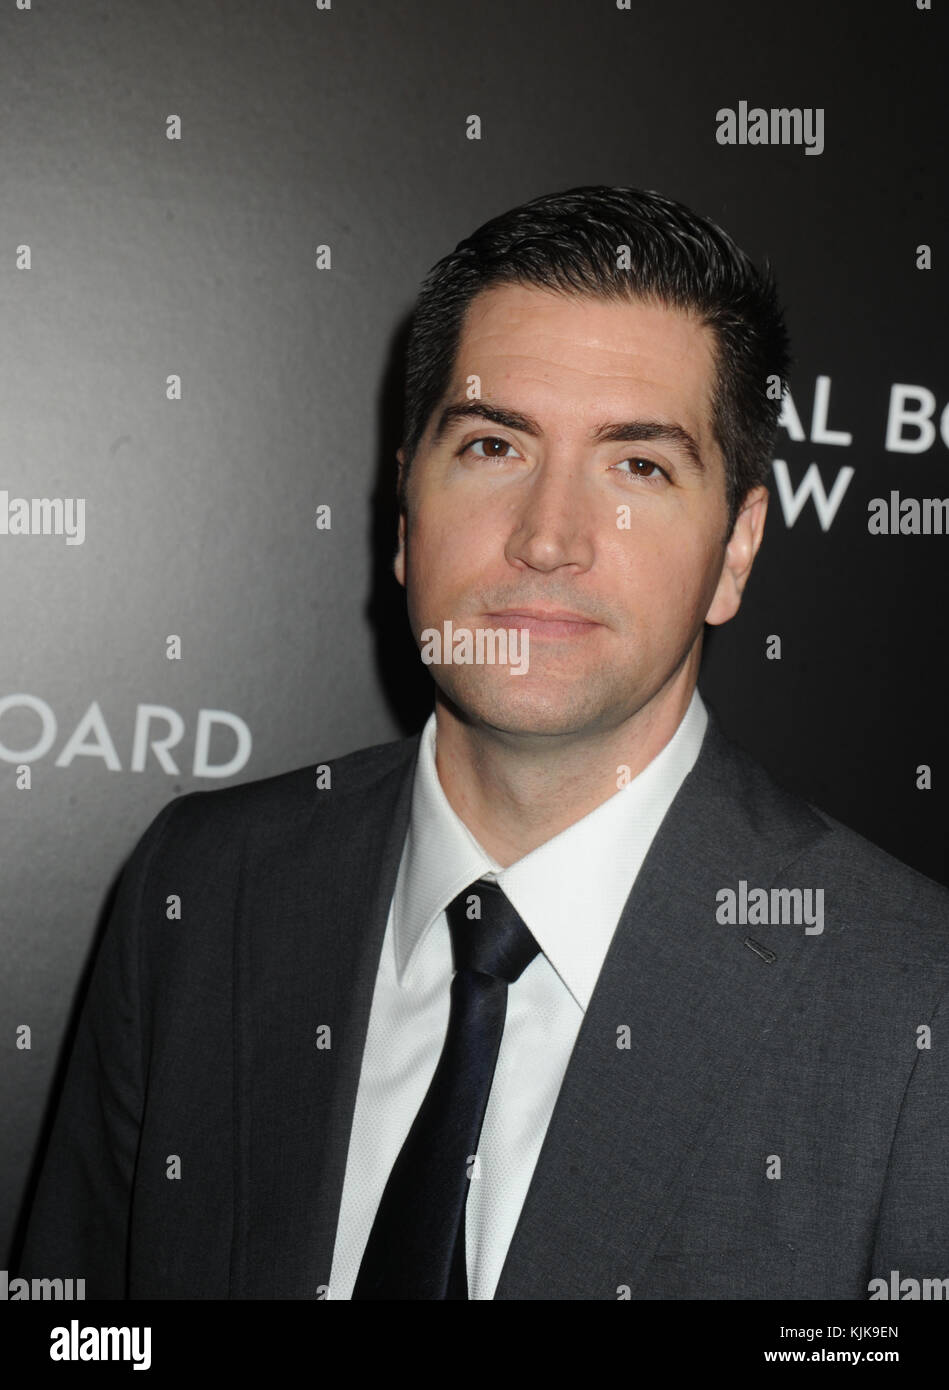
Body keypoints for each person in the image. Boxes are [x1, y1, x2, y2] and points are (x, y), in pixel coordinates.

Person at [18, 186, 949, 1300]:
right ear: (404, 511)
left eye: (637, 465)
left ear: (737, 548)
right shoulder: (202, 887)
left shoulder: (907, 999)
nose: (549, 536)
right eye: (495, 444)